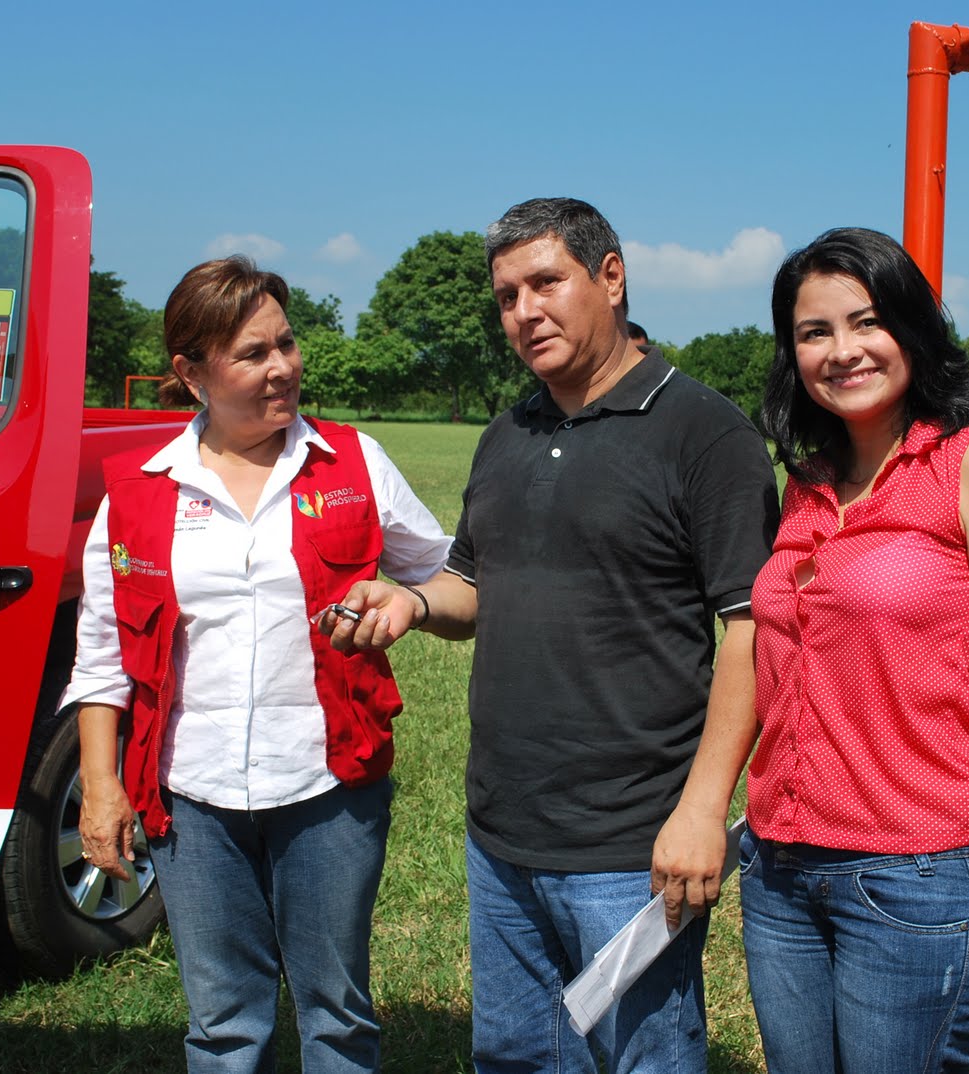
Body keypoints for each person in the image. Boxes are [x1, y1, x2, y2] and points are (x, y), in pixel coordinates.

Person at [325, 197, 778, 1073]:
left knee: (641, 1057)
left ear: (611, 277)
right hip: (502, 833)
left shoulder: (705, 433)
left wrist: (700, 811)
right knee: (518, 1057)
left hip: (631, 843)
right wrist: (412, 604)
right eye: (505, 296)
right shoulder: (508, 433)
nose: (525, 312)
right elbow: (470, 586)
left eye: (546, 282)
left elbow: (751, 632)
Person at [670, 227, 969, 1073]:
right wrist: (704, 803)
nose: (842, 351)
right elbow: (758, 644)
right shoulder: (806, 483)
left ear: (910, 327)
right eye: (813, 332)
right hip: (782, 871)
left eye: (864, 322)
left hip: (920, 879)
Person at [62, 256, 452, 1072]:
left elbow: (454, 581)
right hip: (191, 795)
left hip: (328, 785)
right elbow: (101, 657)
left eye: (287, 343)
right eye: (252, 354)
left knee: (337, 1010)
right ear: (191, 373)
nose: (282, 368)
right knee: (222, 1022)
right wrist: (101, 788)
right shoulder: (138, 492)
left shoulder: (352, 462)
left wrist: (410, 603)